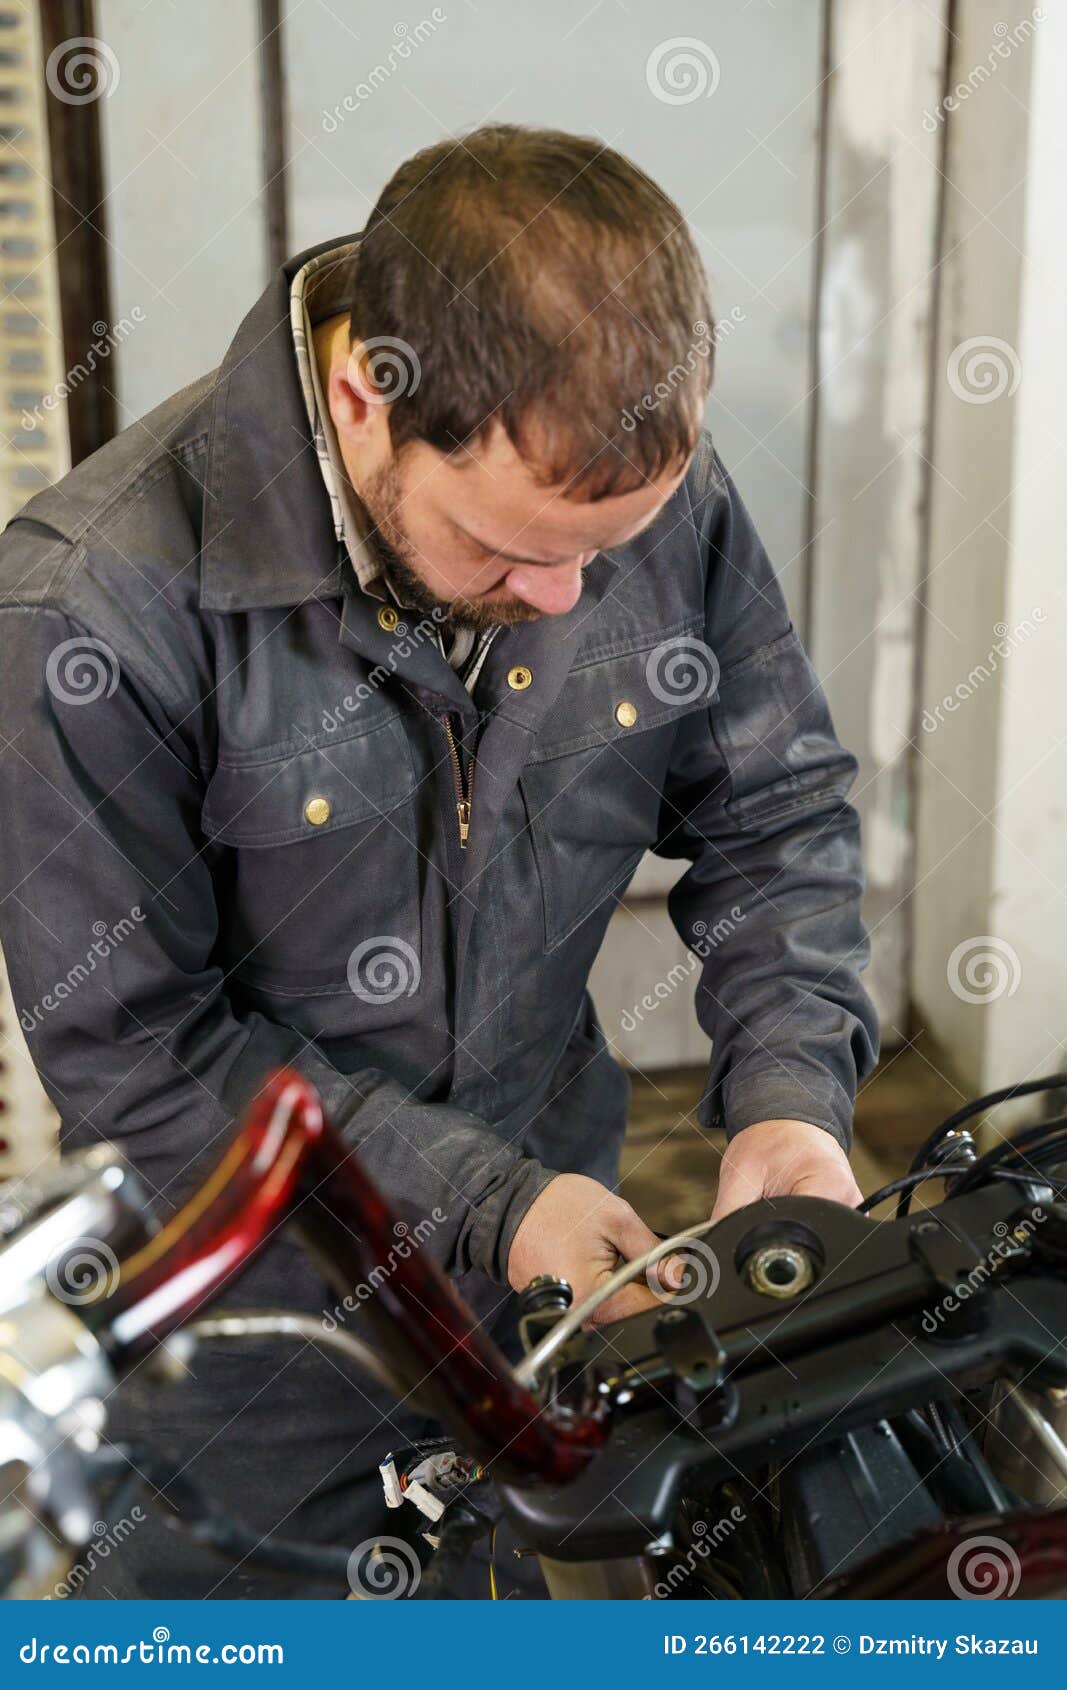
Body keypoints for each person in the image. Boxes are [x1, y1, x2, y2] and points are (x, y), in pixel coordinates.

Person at [0, 123, 877, 1596]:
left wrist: (793, 1096)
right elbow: (138, 1052)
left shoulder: (623, 485)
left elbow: (772, 811)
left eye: (604, 550)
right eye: (508, 549)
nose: (567, 596)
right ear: (366, 397)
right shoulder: (89, 618)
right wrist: (486, 1207)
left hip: (554, 1259)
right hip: (266, 1338)